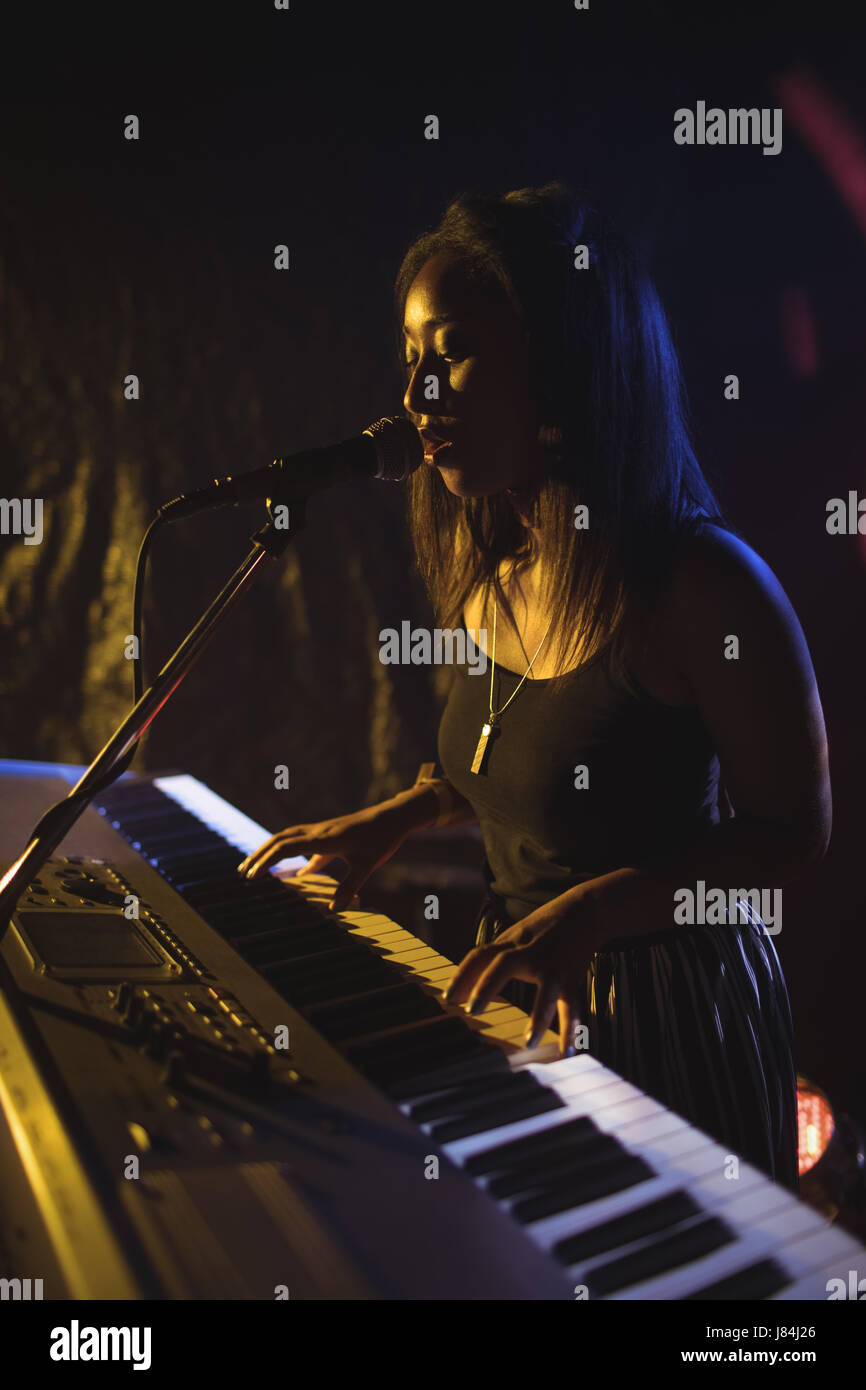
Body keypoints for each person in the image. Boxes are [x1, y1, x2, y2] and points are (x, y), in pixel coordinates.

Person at [238, 183, 831, 1194]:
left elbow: (789, 841)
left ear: (563, 358)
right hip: (524, 993)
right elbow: (515, 766)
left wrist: (600, 910)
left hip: (668, 1017)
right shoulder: (493, 568)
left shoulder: (700, 586)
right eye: (412, 359)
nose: (418, 395)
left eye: (454, 352)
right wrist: (396, 816)